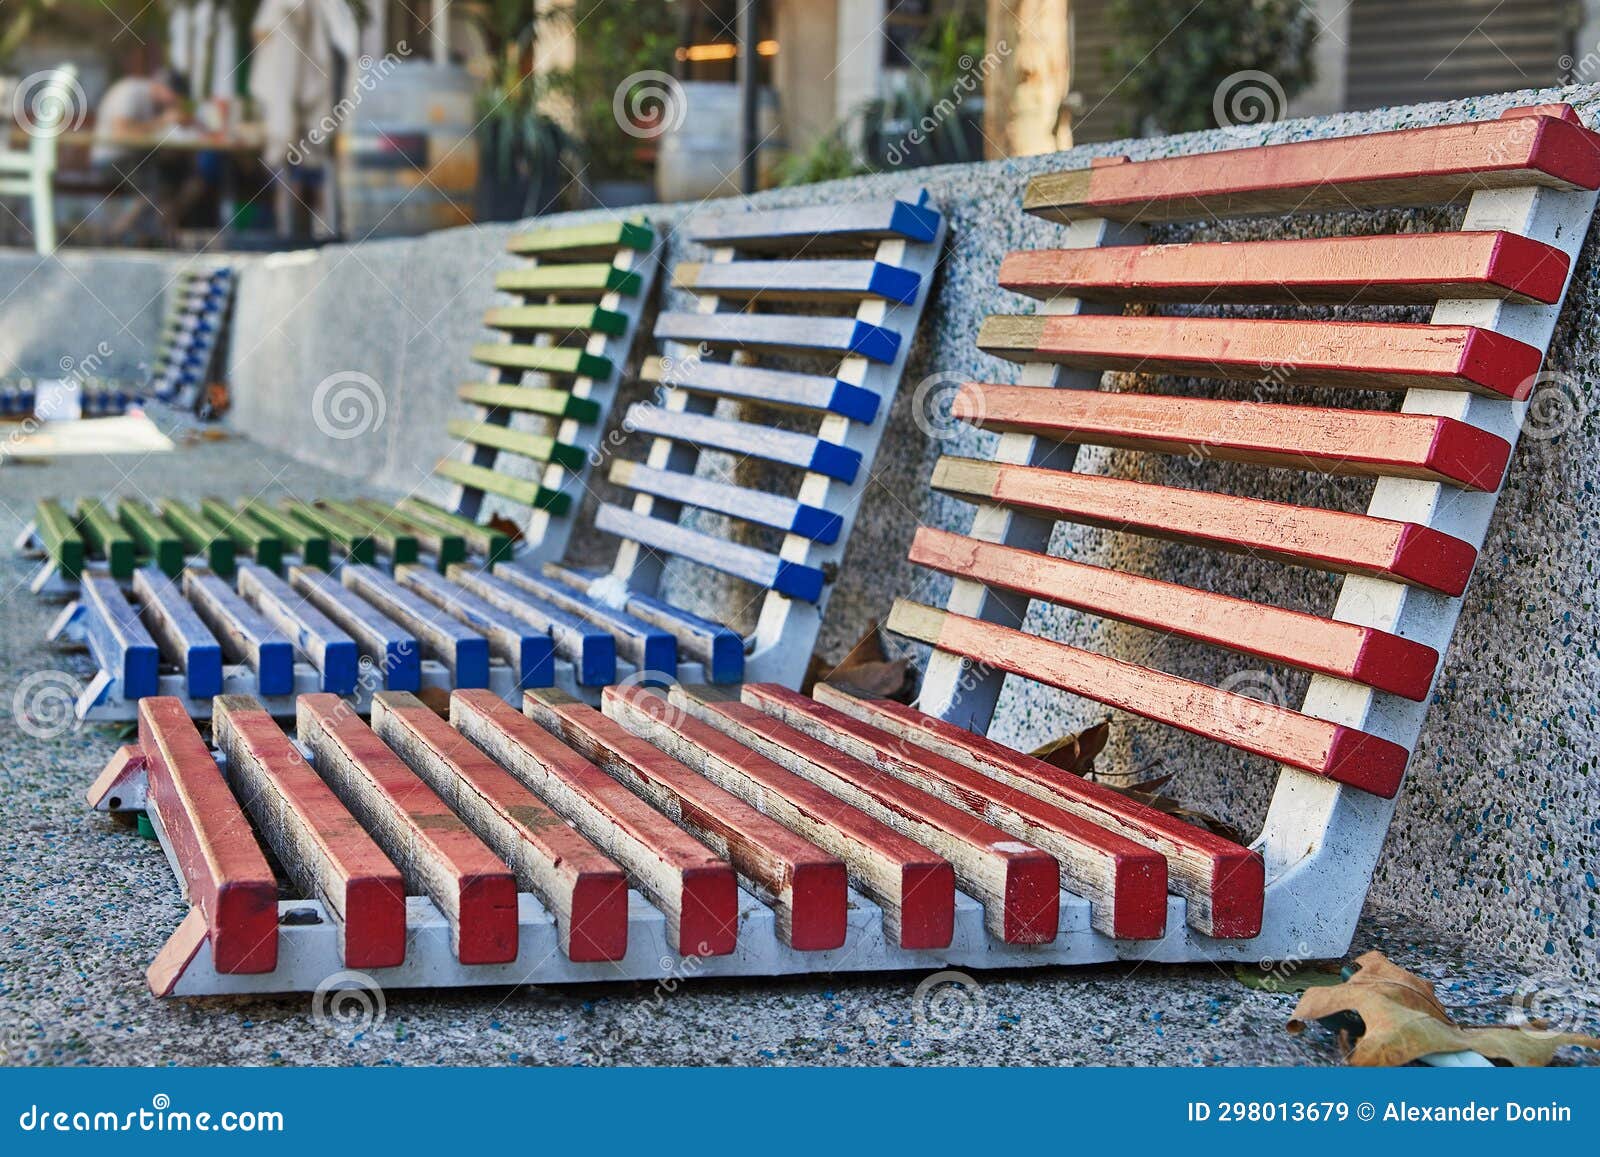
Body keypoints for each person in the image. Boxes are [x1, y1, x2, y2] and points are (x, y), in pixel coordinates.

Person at [92, 68, 205, 245]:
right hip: (112, 158)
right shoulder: (130, 92)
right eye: (174, 96)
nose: (175, 102)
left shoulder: (159, 105)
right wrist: (164, 121)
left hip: (139, 157)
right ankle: (115, 235)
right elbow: (121, 133)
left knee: (192, 179)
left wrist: (189, 124)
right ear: (162, 87)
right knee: (153, 185)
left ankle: (161, 234)